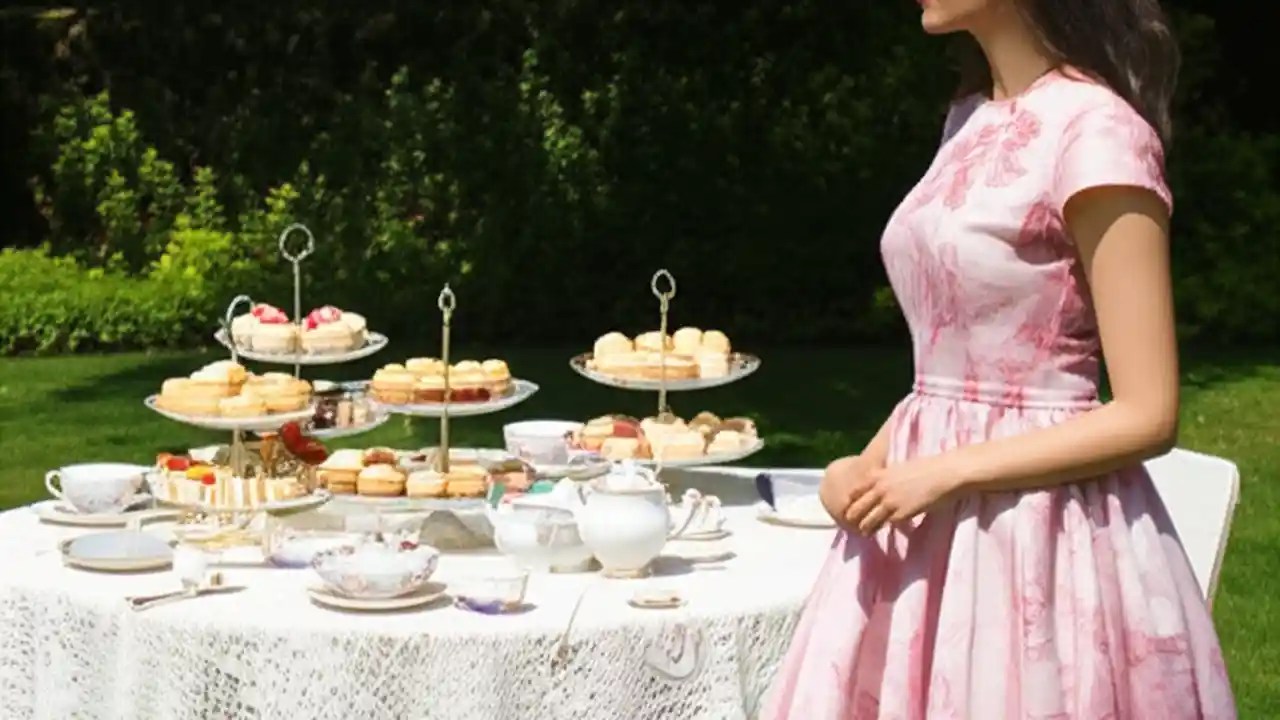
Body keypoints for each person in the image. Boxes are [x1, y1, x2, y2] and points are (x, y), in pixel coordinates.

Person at [763, 1, 1237, 718]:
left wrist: (948, 473)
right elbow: (952, 371)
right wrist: (866, 467)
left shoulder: (1099, 133)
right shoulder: (970, 120)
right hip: (924, 540)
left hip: (1041, 545)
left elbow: (1149, 411)